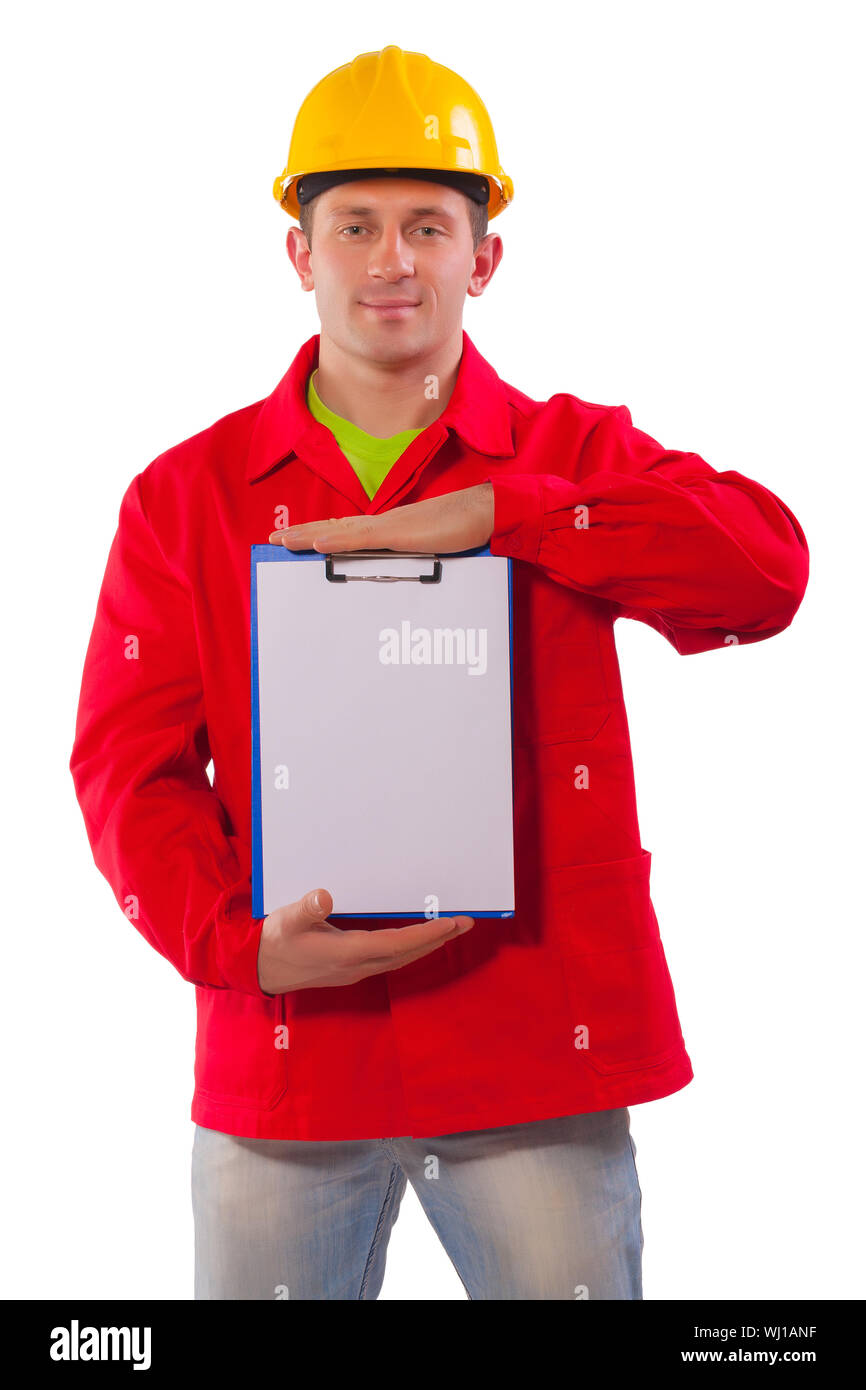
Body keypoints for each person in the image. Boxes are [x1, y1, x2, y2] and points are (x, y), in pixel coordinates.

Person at [69, 44, 809, 1301]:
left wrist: (511, 514)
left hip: (534, 1057)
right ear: (299, 254)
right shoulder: (186, 497)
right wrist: (236, 945)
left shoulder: (576, 453)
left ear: (484, 256)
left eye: (427, 224)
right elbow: (126, 764)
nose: (390, 260)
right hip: (288, 1058)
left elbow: (765, 575)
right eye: (353, 225)